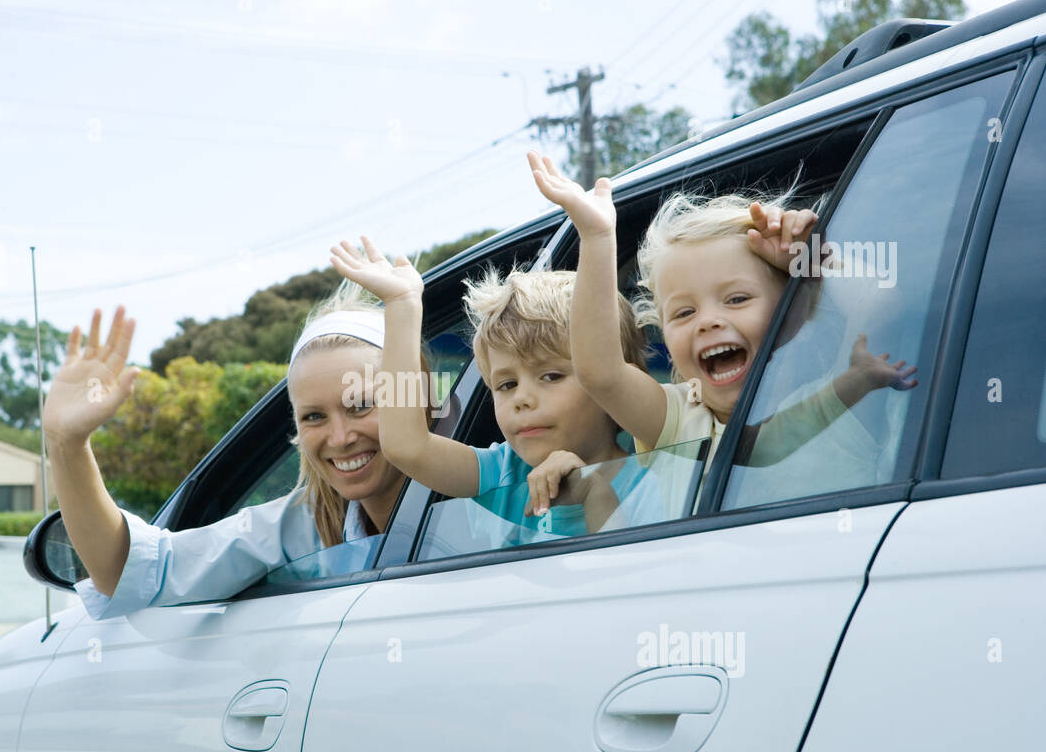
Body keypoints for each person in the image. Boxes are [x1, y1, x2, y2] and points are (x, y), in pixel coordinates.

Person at [527, 151, 919, 484]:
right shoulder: (679, 420)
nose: (708, 321)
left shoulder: (847, 390)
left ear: (795, 308)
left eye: (736, 299)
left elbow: (882, 306)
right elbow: (601, 372)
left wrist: (814, 260)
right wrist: (597, 238)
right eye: (683, 312)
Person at [43, 282, 414, 620]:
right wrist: (67, 445)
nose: (339, 437)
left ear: (412, 396)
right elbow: (131, 571)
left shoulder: (469, 485)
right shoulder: (301, 527)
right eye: (314, 416)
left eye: (361, 405)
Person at [329, 234, 660, 537]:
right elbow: (405, 446)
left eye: (551, 376)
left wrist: (593, 491)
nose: (522, 399)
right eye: (506, 384)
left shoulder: (656, 475)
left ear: (612, 380)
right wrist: (402, 306)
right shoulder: (502, 472)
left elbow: (619, 583)